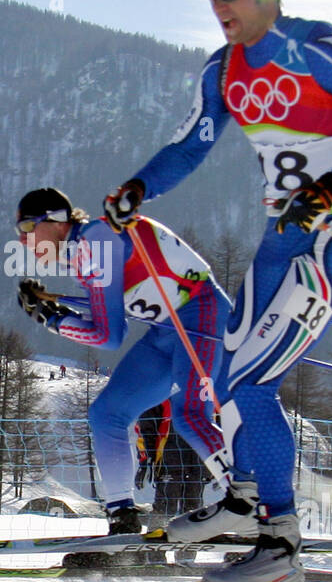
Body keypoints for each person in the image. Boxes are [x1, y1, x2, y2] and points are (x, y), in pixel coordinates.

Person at [103, 0, 332, 582]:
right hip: (281, 243)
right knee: (226, 376)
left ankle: (279, 549)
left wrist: (330, 189)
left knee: (251, 381)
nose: (220, 6)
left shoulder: (325, 54)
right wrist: (138, 187)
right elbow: (189, 149)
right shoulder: (223, 72)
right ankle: (246, 501)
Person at [13, 187, 231, 536]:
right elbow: (115, 309)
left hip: (201, 319)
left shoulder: (95, 242)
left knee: (190, 416)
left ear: (54, 222)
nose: (23, 241)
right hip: (166, 331)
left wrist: (53, 320)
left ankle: (253, 503)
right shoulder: (85, 249)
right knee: (108, 414)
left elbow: (109, 335)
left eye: (26, 229)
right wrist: (55, 310)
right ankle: (122, 518)